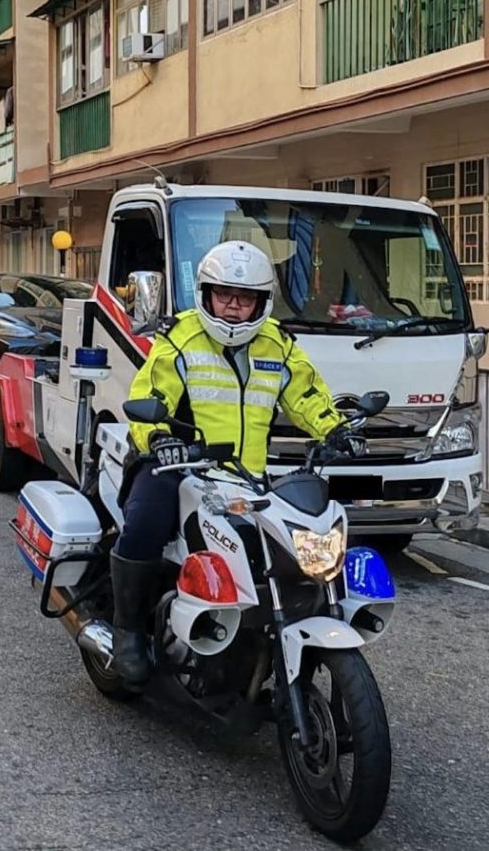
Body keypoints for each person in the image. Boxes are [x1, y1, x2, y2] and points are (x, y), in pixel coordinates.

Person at [111, 240, 365, 685]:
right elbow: (149, 396)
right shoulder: (181, 338)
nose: (233, 307)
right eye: (224, 295)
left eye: (244, 298)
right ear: (206, 294)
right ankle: (127, 629)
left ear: (260, 302)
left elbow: (306, 396)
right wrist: (159, 438)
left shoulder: (278, 346)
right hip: (178, 466)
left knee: (282, 555)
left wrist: (335, 430)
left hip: (246, 480)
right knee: (146, 520)